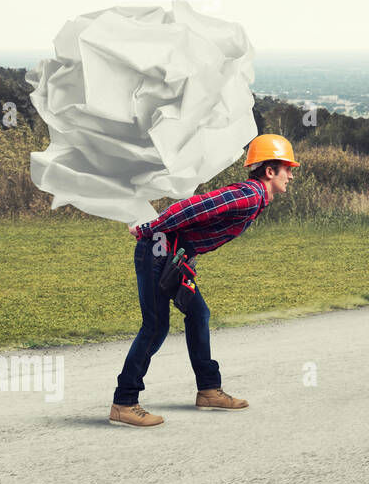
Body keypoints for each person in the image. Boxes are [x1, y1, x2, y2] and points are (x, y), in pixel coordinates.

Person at [108, 134, 300, 427]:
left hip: (172, 255)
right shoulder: (249, 195)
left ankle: (209, 390)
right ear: (270, 171)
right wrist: (149, 229)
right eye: (287, 167)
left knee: (199, 314)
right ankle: (124, 402)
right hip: (156, 249)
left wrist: (186, 256)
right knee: (155, 327)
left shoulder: (256, 198)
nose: (291, 174)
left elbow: (199, 226)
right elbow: (192, 207)